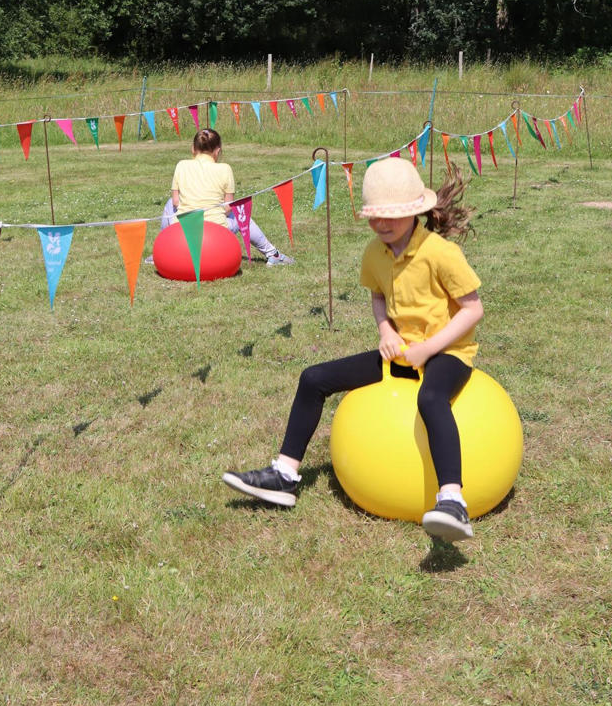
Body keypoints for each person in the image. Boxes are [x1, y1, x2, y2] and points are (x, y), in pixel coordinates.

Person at [223, 157, 483, 542]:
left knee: (430, 399)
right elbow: (379, 296)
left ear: (415, 212)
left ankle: (452, 501)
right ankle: (284, 475)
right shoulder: (374, 253)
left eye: (392, 216)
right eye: (376, 216)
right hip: (399, 355)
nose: (382, 224)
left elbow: (472, 309)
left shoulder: (440, 253)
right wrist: (385, 331)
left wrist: (428, 349)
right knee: (313, 379)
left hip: (447, 353)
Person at [163, 128, 294, 266]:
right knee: (242, 214)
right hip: (216, 230)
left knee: (169, 202)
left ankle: (163, 250)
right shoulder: (225, 169)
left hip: (182, 229)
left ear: (192, 149)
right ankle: (273, 254)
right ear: (218, 151)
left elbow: (176, 202)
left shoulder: (181, 165)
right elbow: (228, 207)